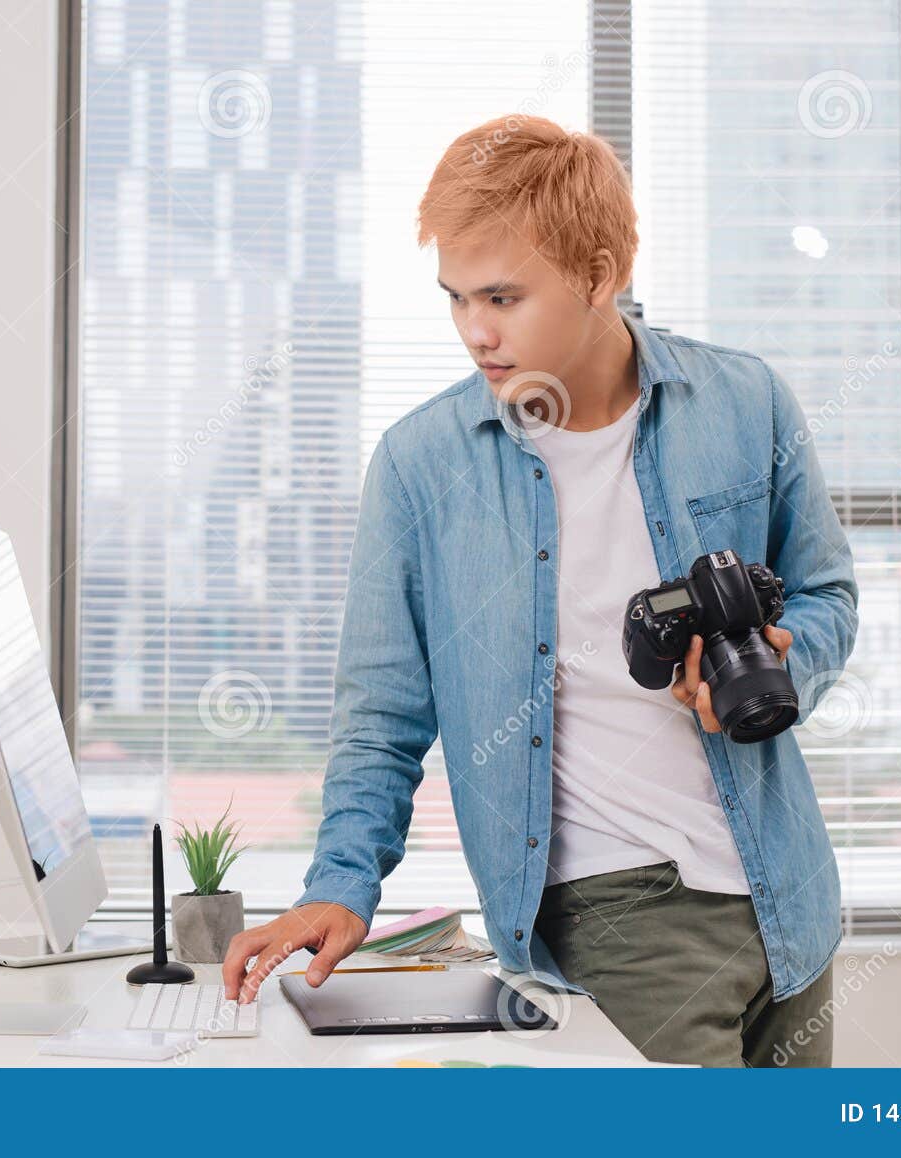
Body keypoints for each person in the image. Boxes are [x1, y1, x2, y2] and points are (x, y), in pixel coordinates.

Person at [222, 114, 858, 1068]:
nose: (476, 331)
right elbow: (382, 713)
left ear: (598, 276)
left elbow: (828, 595)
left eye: (503, 297)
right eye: (457, 299)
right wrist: (341, 885)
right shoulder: (422, 466)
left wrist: (780, 657)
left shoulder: (745, 401)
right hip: (621, 916)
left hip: (792, 901)